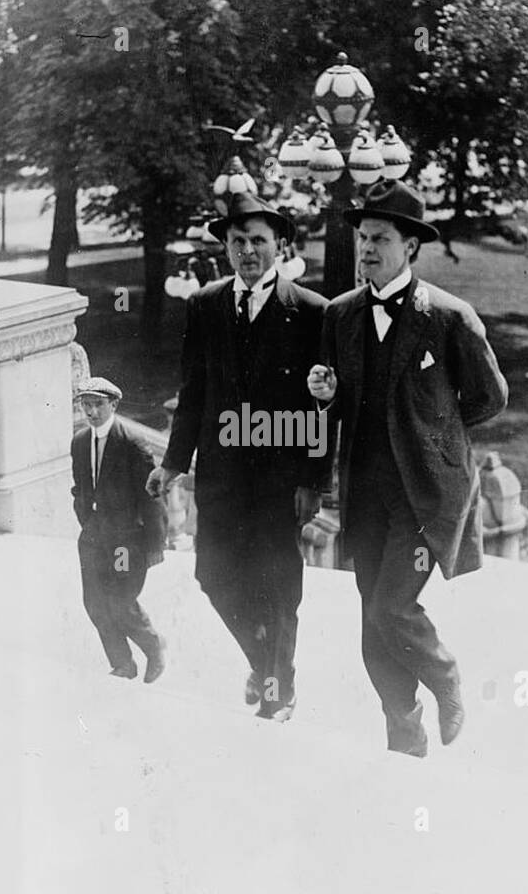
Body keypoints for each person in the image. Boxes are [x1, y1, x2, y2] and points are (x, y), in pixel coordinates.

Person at [308, 179, 508, 758]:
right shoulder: (341, 315)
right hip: (363, 492)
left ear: (410, 247)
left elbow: (490, 397)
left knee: (393, 606)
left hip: (425, 495)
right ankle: (404, 728)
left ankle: (444, 678)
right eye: (363, 238)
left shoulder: (449, 317)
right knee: (372, 623)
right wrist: (325, 394)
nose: (367, 249)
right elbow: (340, 399)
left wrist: (436, 429)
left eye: (381, 239)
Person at [147, 193, 329, 722]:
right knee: (214, 575)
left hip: (281, 478)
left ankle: (277, 688)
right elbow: (194, 390)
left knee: (277, 584)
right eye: (238, 242)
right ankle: (266, 663)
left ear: (280, 246)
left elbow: (321, 406)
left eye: (258, 241)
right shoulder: (204, 304)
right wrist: (174, 463)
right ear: (226, 248)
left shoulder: (311, 312)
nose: (248, 251)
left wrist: (313, 478)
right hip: (222, 477)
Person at [72, 377, 167, 683]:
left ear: (113, 405)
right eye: (86, 405)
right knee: (95, 604)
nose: (91, 411)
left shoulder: (132, 444)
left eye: (98, 404)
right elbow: (80, 488)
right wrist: (86, 521)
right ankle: (123, 663)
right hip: (94, 537)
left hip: (126, 542)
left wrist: (155, 545)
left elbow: (151, 495)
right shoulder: (79, 442)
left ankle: (153, 647)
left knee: (121, 601)